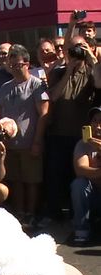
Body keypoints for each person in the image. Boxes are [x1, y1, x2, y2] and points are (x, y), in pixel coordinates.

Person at [44, 35, 99, 223]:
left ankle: (81, 216)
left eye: (80, 48)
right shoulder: (59, 72)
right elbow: (54, 96)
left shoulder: (92, 71)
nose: (77, 52)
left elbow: (100, 85)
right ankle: (54, 214)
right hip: (59, 133)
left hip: (83, 135)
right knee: (55, 176)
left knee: (78, 177)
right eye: (73, 48)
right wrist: (68, 69)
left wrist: (92, 58)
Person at [0, 44, 49, 226]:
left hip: (30, 144)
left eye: (17, 63)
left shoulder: (36, 85)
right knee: (16, 180)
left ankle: (31, 214)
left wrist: (37, 141)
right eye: (11, 63)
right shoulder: (4, 87)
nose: (13, 66)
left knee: (32, 181)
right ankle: (20, 215)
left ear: (27, 63)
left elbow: (44, 114)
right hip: (10, 145)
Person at [70, 106, 101, 245]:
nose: (98, 126)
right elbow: (80, 170)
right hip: (93, 194)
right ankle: (81, 230)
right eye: (95, 121)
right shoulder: (83, 144)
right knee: (78, 184)